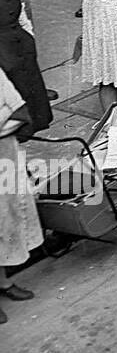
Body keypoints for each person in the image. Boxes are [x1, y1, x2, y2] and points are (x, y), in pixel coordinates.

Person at [0, 0, 52, 138]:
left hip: (20, 44)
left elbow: (21, 8)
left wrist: (29, 35)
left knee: (32, 103)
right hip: (1, 52)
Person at [0, 67, 42, 326]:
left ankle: (3, 282)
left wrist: (6, 118)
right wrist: (4, 117)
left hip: (5, 157)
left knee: (5, 219)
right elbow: (9, 113)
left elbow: (21, 112)